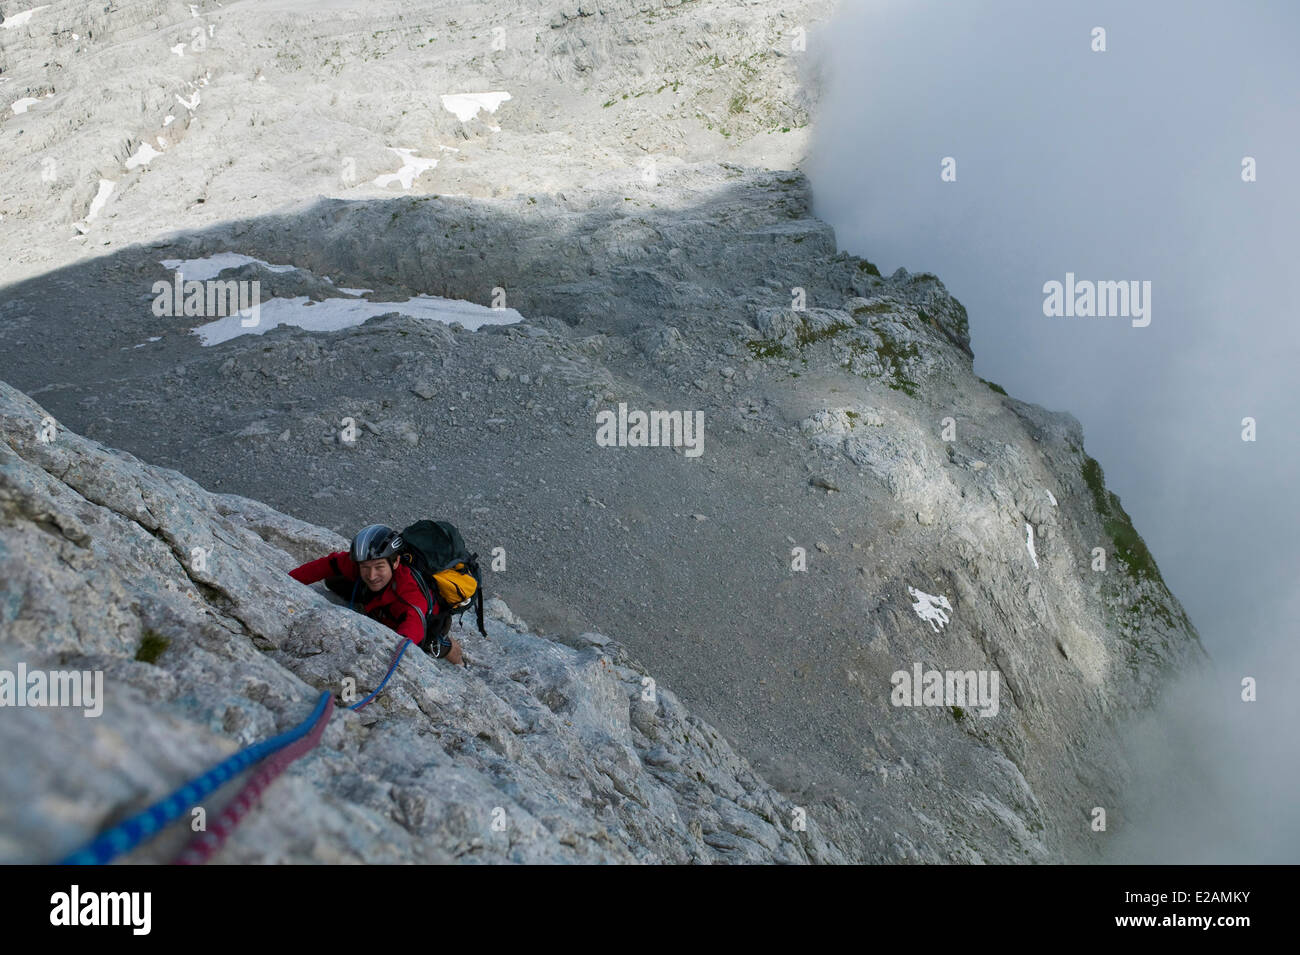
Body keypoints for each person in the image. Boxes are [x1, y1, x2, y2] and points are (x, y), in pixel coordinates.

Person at [289, 524, 464, 665]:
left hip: (427, 620)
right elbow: (328, 564)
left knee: (438, 644)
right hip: (381, 604)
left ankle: (461, 663)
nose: (371, 575)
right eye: (365, 567)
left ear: (395, 562)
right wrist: (288, 581)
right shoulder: (361, 563)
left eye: (379, 567)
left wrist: (390, 654)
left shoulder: (410, 594)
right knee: (334, 579)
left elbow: (410, 633)